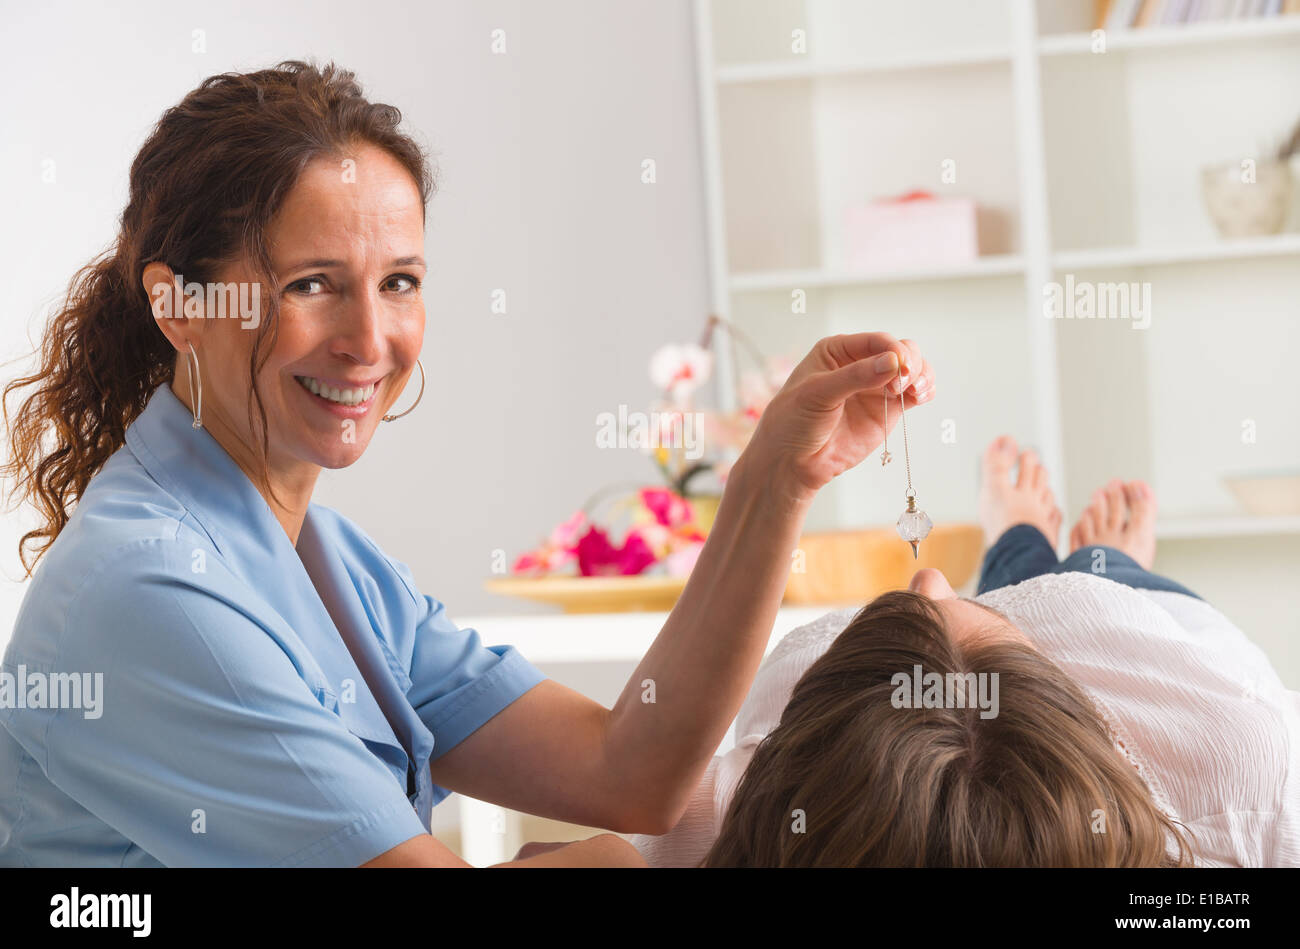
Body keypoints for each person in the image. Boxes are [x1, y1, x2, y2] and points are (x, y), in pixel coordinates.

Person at [0, 60, 937, 867]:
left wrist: (778, 476)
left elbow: (630, 768)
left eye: (399, 282)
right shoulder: (151, 590)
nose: (371, 340)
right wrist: (607, 860)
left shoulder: (330, 562)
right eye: (312, 285)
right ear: (178, 306)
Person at [629, 437, 1300, 867]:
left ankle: (1017, 537)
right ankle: (1041, 548)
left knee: (1012, 575)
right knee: (1095, 571)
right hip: (1127, 619)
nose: (927, 578)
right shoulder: (1250, 769)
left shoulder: (741, 810)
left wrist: (771, 482)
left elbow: (630, 795)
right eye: (997, 622)